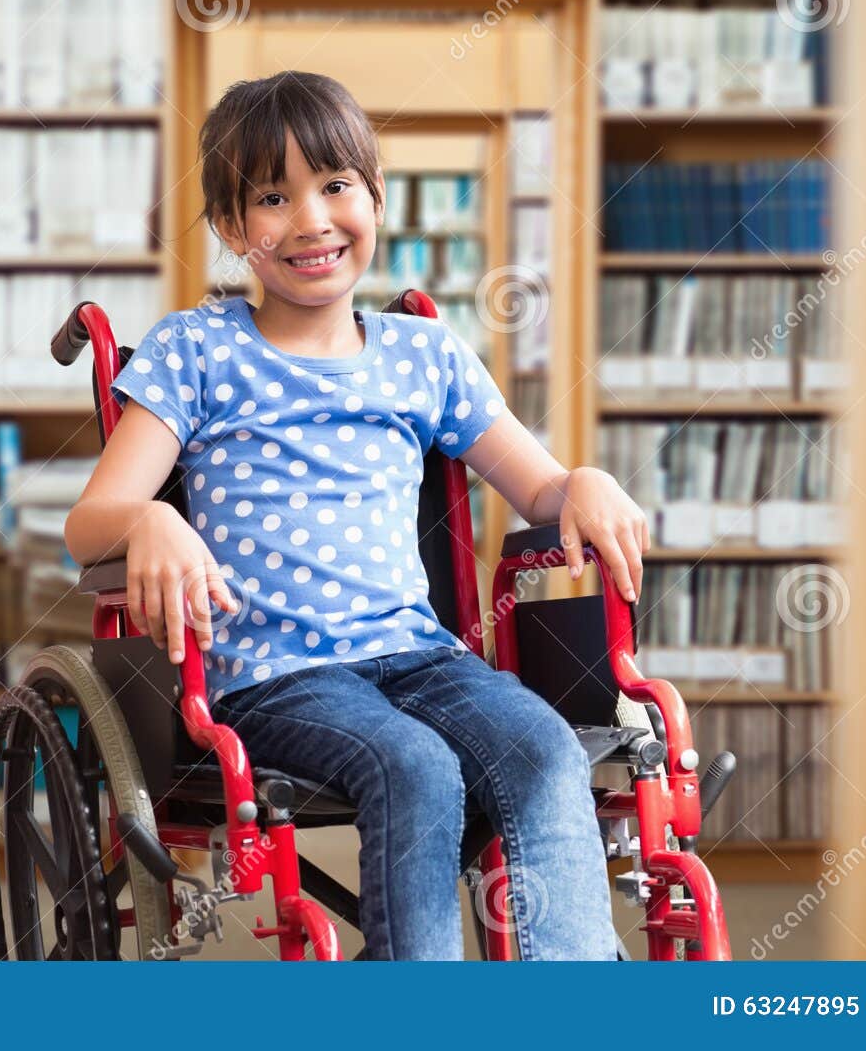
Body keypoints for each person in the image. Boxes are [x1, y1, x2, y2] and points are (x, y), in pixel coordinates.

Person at [64, 70, 649, 960]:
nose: (311, 219)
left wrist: (588, 480)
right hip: (276, 671)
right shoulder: (199, 348)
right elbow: (91, 517)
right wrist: (149, 521)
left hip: (419, 655)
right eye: (273, 197)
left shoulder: (423, 354)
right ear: (231, 228)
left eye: (336, 186)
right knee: (414, 765)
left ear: (375, 198)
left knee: (542, 747)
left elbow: (540, 491)